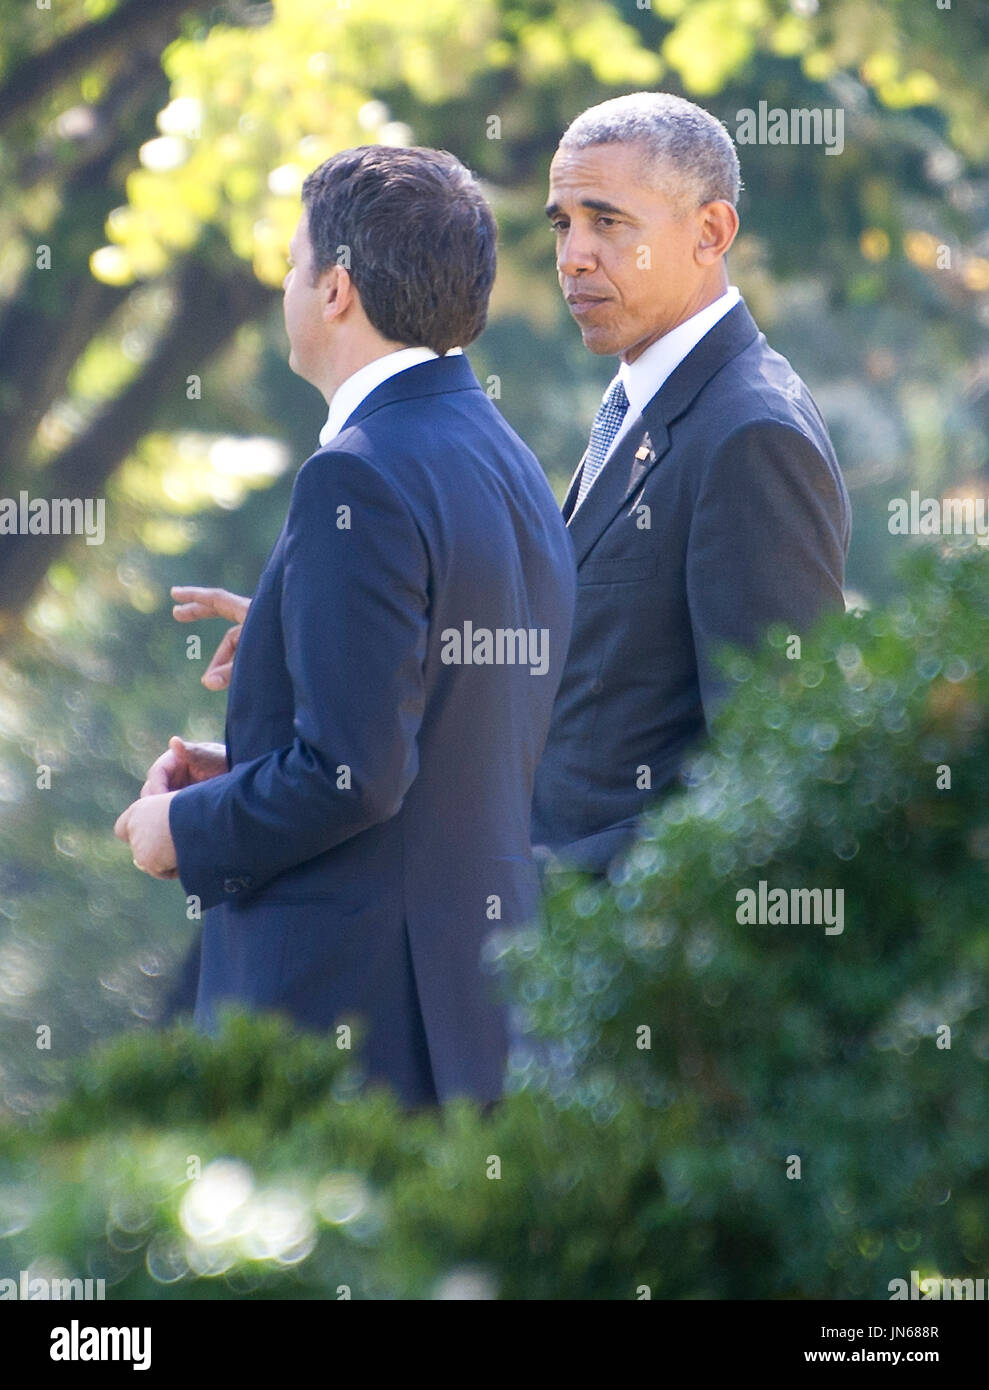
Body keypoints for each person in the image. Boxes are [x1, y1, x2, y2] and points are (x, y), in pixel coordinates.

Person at [114, 145, 577, 1108]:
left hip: (350, 1022)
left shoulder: (356, 474)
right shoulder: (508, 460)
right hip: (467, 1005)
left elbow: (353, 776)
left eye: (292, 266)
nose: (285, 285)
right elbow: (443, 723)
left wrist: (181, 828)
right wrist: (262, 715)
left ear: (335, 290)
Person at [530, 92, 852, 876]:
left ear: (710, 232)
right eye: (561, 223)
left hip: (622, 971)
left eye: (607, 222)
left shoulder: (750, 436)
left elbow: (773, 779)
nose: (573, 254)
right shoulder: (644, 403)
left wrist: (548, 888)